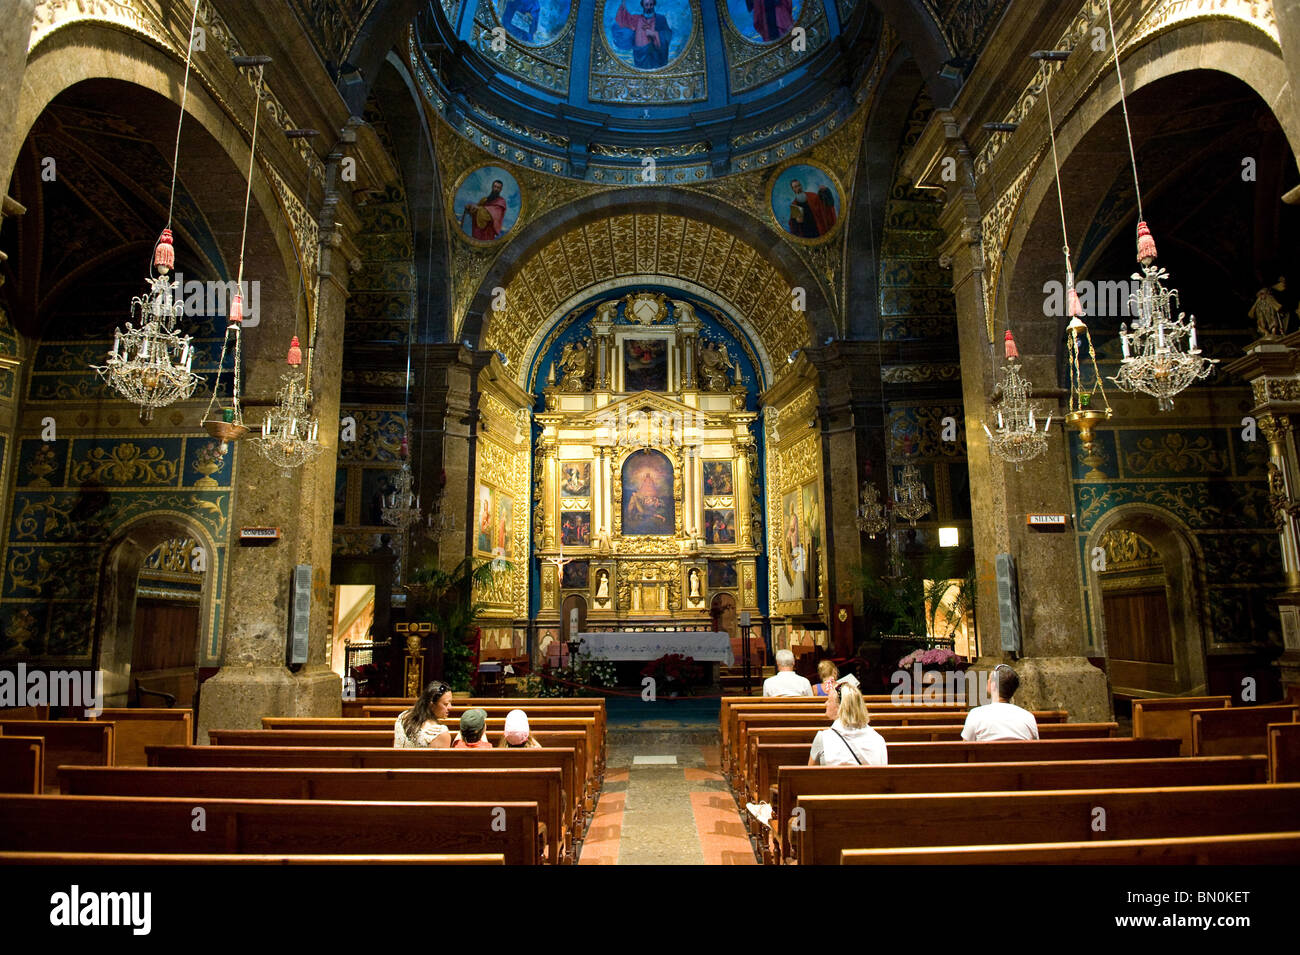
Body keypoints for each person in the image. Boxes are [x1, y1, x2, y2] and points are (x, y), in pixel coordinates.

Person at [809, 682, 887, 766]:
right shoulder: (878, 740)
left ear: (840, 707)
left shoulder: (823, 739)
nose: (826, 703)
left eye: (829, 700)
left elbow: (810, 775)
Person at [960, 664, 1039, 741]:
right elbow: (1035, 749)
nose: (987, 681)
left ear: (993, 685)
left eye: (989, 679)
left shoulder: (975, 715)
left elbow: (966, 749)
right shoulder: (1028, 717)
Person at [612, 0, 673, 70]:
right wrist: (623, 4)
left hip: (654, 55)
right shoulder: (637, 19)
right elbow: (624, 20)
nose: (649, 7)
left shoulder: (660, 19)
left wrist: (654, 34)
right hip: (639, 54)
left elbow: (667, 35)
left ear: (654, 4)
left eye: (651, 4)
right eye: (646, 5)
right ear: (643, 5)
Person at [394, 680, 453, 748]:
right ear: (432, 705)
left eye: (450, 703)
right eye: (446, 704)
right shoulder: (440, 733)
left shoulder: (403, 716)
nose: (450, 707)